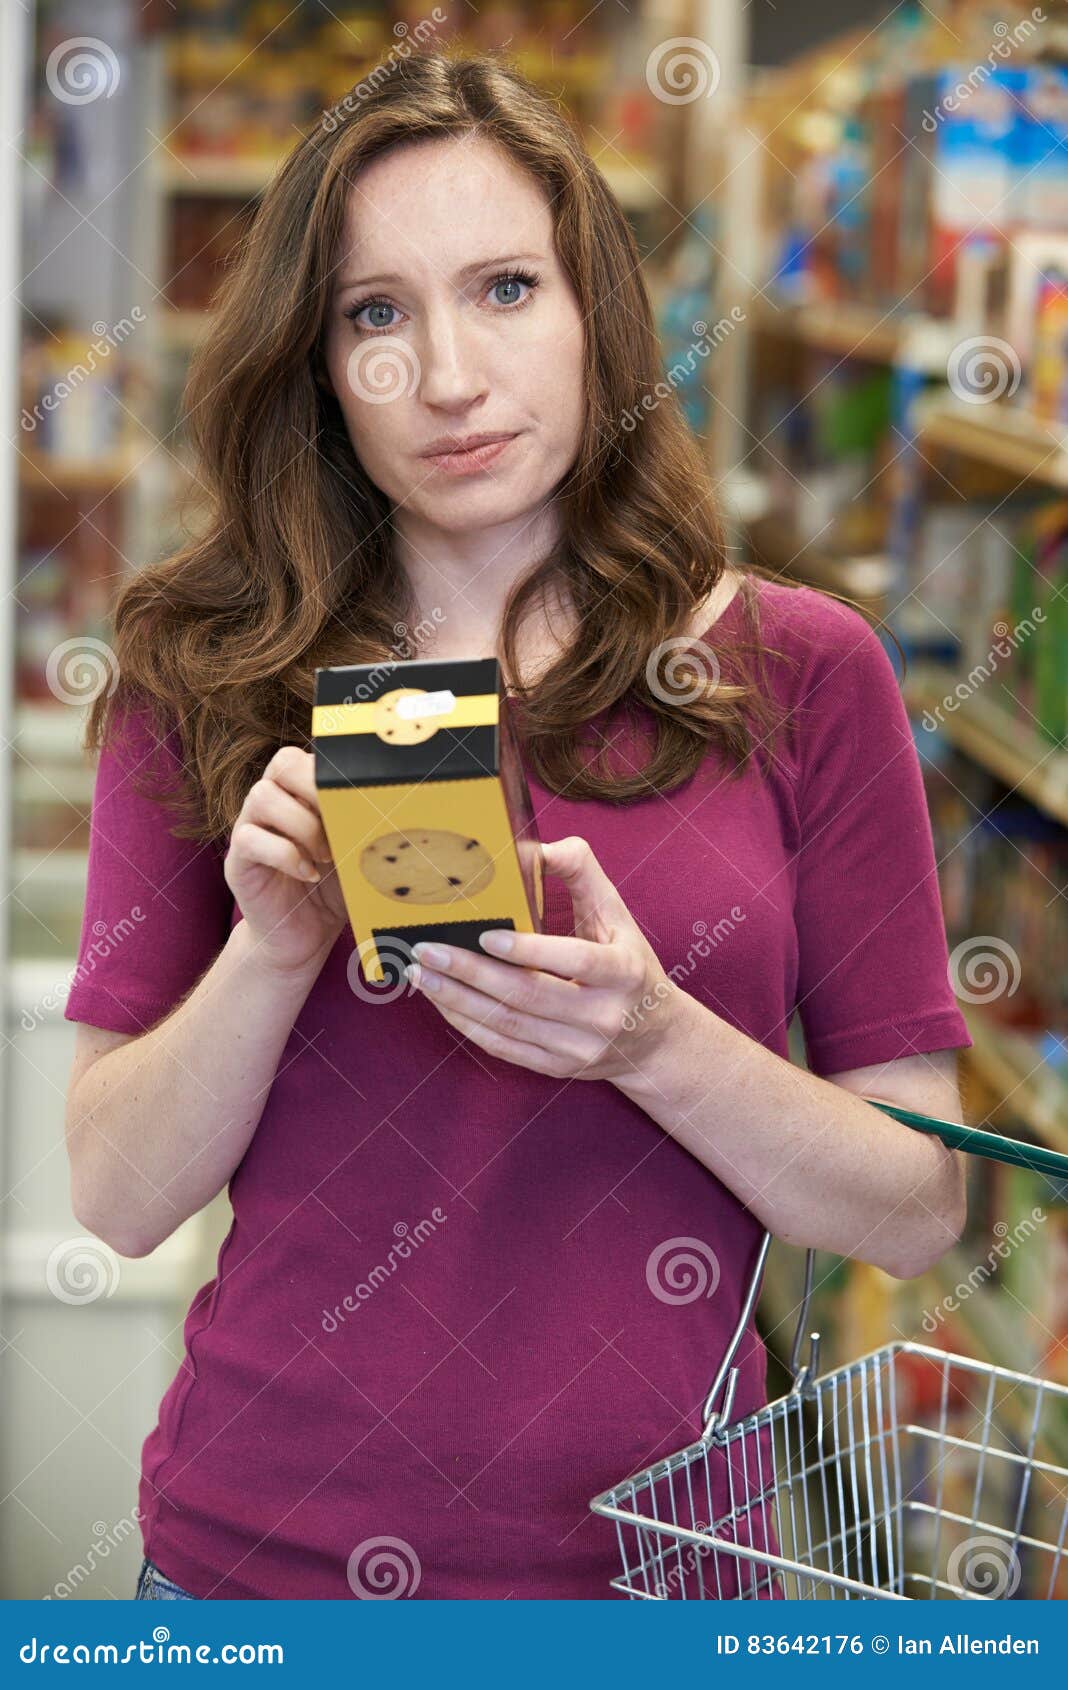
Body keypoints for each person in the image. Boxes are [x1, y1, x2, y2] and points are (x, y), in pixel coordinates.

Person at [62, 51, 970, 1602]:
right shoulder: (204, 672)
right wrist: (271, 952)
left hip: (672, 1578)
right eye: (376, 315)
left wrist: (654, 1041)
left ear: (595, 313)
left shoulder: (803, 672)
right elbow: (119, 1194)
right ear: (317, 366)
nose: (449, 379)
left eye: (502, 289)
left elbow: (917, 1204)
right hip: (256, 1570)